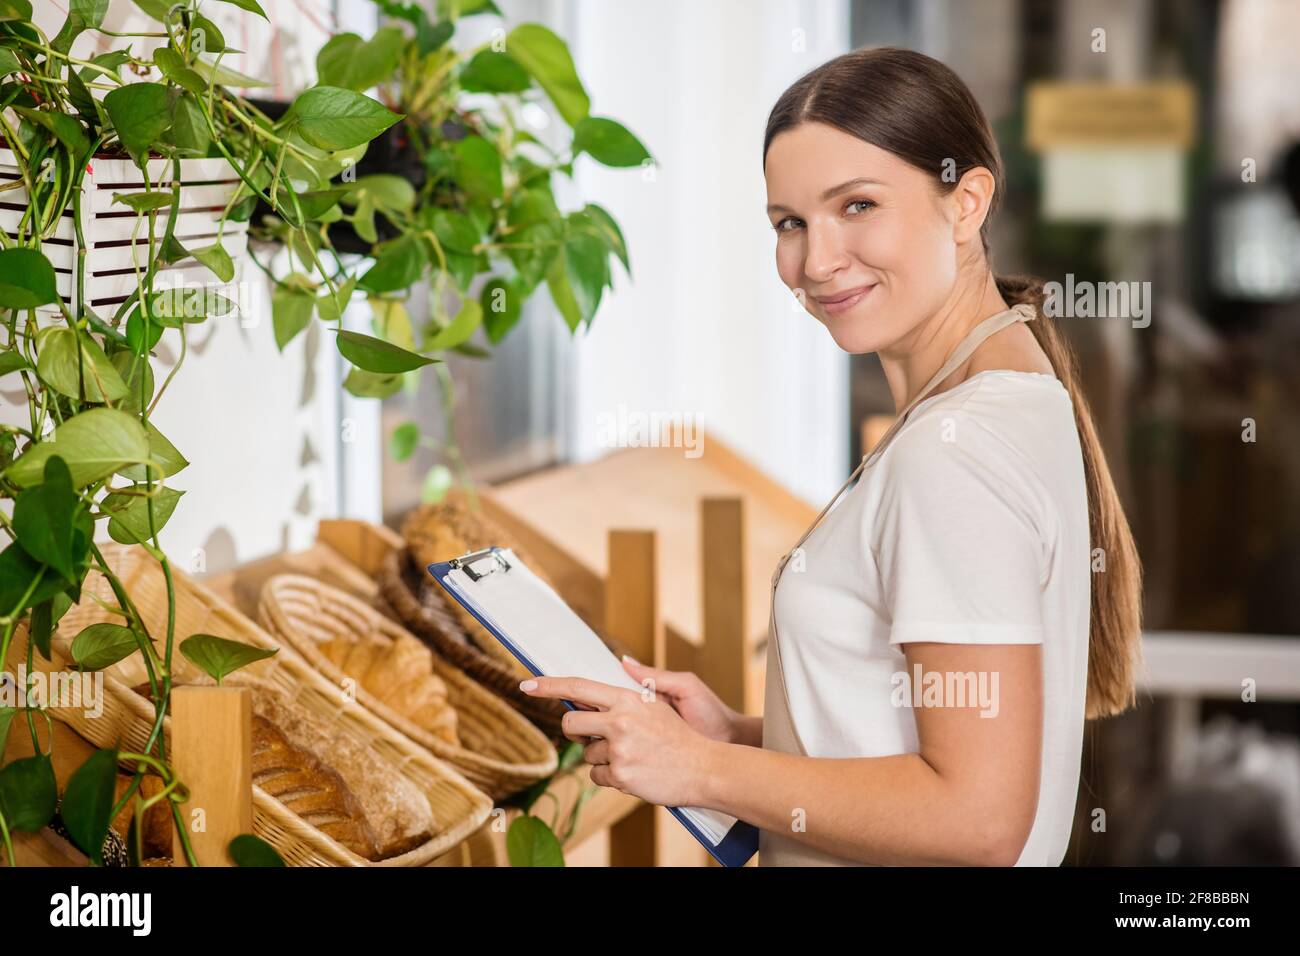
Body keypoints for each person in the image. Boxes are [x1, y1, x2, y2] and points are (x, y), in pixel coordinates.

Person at [521, 47, 1144, 866]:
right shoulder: (1015, 396)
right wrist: (740, 738)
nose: (816, 262)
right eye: (790, 222)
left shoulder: (952, 454)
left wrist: (702, 770)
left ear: (967, 203)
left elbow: (980, 818)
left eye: (857, 205)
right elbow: (918, 741)